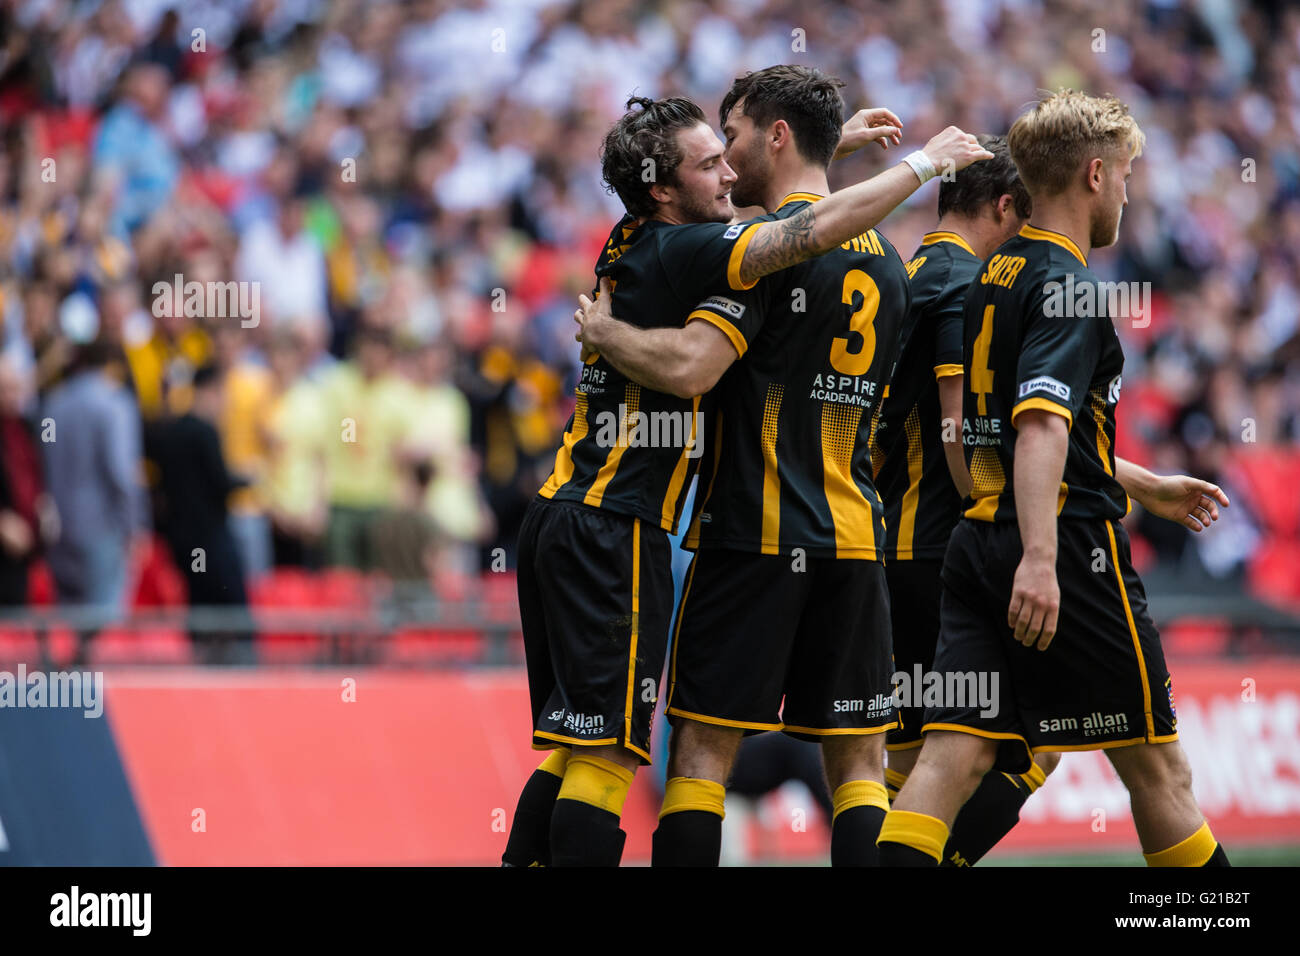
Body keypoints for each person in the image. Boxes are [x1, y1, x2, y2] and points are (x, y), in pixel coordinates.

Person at [504, 91, 989, 867]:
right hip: (850, 537)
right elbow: (808, 225)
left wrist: (604, 333)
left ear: (776, 139)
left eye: (733, 147)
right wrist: (906, 164)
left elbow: (710, 349)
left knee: (665, 752)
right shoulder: (884, 268)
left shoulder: (678, 246)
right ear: (664, 186)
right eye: (712, 160)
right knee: (857, 765)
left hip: (726, 531)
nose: (729, 169)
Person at [877, 89, 1231, 867]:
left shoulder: (990, 274)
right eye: (1129, 176)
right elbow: (1039, 424)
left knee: (952, 758)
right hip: (1067, 548)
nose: (1130, 195)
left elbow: (992, 430)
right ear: (1096, 174)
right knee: (1159, 770)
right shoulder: (1068, 286)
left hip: (975, 542)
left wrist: (1141, 485)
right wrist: (1040, 556)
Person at [873, 134, 1059, 865]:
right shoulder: (962, 282)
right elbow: (960, 429)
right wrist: (994, 522)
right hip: (943, 548)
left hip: (893, 543)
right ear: (1007, 208)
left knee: (911, 761)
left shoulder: (909, 270)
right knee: (1040, 737)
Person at [149, 363, 252, 665]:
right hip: (210, 538)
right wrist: (247, 478)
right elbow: (220, 483)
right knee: (232, 605)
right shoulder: (205, 431)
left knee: (197, 606)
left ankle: (202, 666)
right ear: (213, 391)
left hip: (181, 539)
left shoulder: (169, 431)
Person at [41, 340, 149, 627]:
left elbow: (43, 461)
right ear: (115, 366)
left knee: (68, 624)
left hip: (58, 526)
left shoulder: (55, 401)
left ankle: (71, 673)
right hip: (104, 526)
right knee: (104, 626)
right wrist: (134, 525)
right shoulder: (114, 403)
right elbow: (121, 470)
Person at [0, 357, 56, 606]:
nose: (12, 396)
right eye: (5, 389)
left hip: (27, 551)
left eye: (15, 388)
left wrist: (44, 505)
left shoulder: (27, 427)